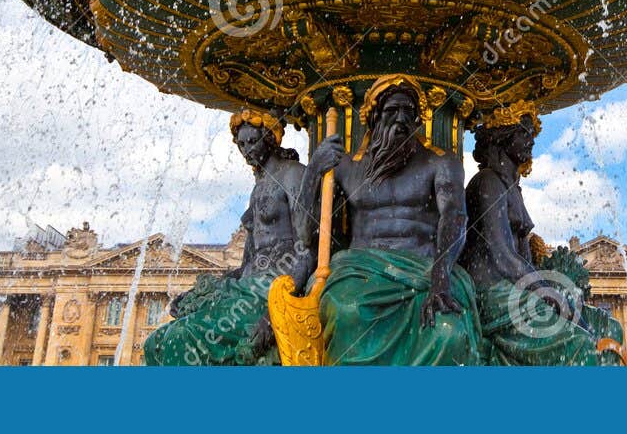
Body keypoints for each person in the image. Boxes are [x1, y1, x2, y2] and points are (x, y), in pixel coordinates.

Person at [300, 76, 482, 364]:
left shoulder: (442, 163)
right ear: (373, 118)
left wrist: (440, 276)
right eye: (392, 111)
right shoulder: (346, 167)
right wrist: (312, 172)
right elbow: (307, 234)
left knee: (450, 332)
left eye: (409, 113)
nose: (401, 120)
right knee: (348, 311)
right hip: (361, 271)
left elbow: (455, 216)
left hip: (426, 269)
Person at [143, 109, 309, 365]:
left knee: (181, 336)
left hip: (274, 287)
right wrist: (200, 291)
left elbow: (309, 244)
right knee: (156, 342)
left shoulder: (293, 174)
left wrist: (276, 308)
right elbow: (245, 264)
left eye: (252, 142)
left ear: (269, 139)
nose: (246, 151)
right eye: (241, 144)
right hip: (248, 284)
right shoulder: (259, 188)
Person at [460, 103, 605, 365]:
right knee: (577, 344)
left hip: (513, 290)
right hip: (489, 293)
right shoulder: (488, 183)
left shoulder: (513, 189)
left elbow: (525, 260)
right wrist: (548, 292)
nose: (530, 142)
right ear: (503, 137)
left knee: (603, 328)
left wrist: (555, 292)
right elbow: (502, 256)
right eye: (523, 133)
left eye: (531, 135)